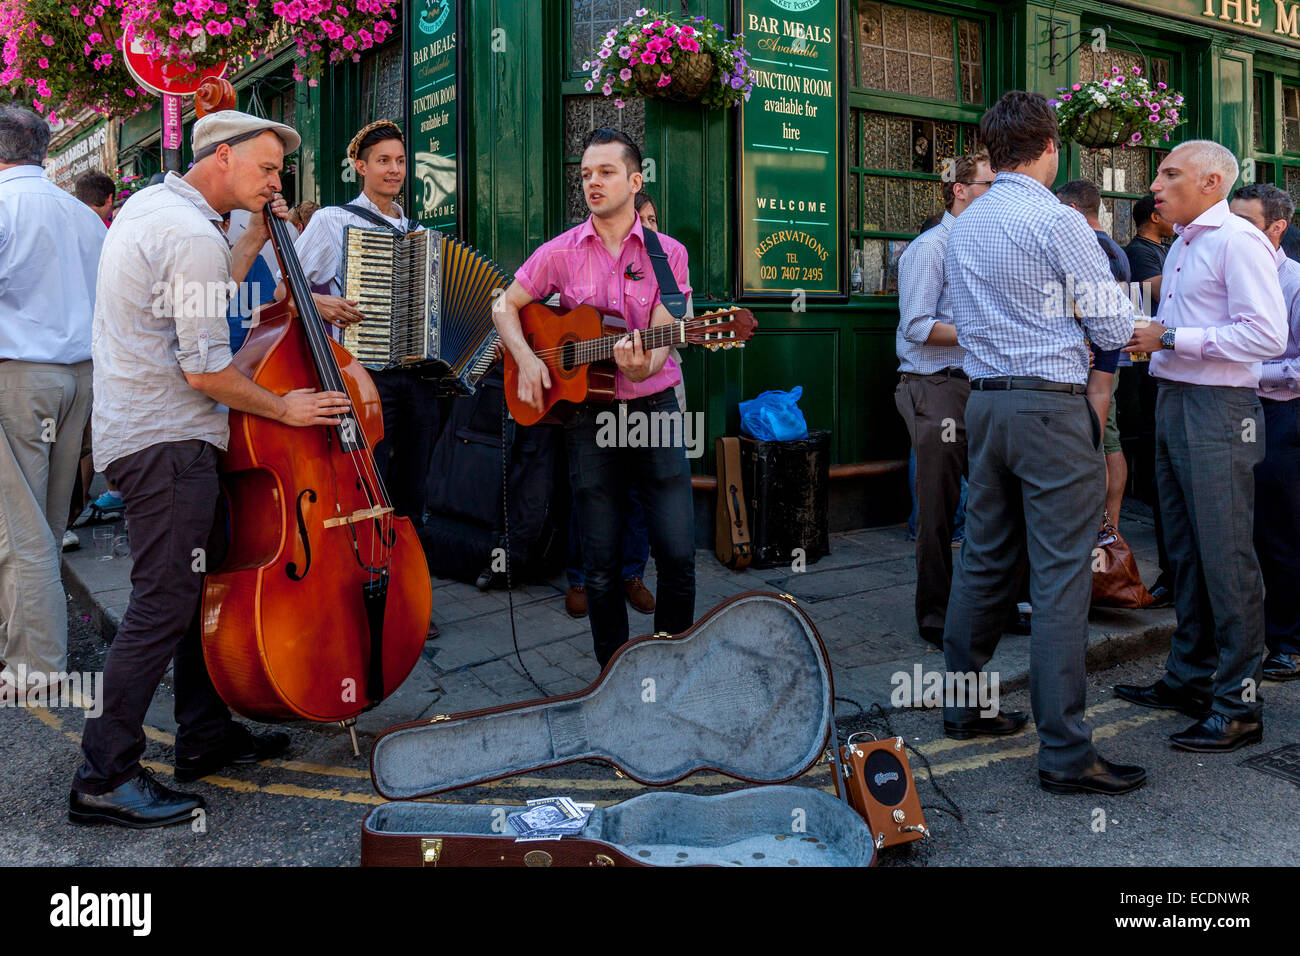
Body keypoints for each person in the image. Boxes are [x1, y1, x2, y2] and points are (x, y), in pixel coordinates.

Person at [70, 111, 352, 829]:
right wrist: (286, 411)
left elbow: (205, 300)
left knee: (196, 592)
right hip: (168, 441)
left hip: (152, 436)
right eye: (264, 169)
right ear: (220, 157)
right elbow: (204, 369)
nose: (274, 182)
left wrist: (256, 235)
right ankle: (105, 774)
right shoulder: (190, 232)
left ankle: (202, 733)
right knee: (162, 605)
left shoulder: (157, 209)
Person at [945, 91, 1143, 795]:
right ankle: (1064, 752)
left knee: (984, 558)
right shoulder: (1058, 221)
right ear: (1050, 148)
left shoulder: (964, 225)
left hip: (987, 405)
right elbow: (1115, 329)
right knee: (1061, 577)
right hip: (1051, 407)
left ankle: (964, 710)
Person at [494, 128, 696, 668]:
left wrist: (646, 359)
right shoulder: (560, 252)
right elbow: (503, 306)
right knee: (601, 560)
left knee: (677, 552)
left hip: (653, 409)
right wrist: (530, 358)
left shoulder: (667, 254)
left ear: (635, 180)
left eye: (605, 172)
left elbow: (667, 328)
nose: (592, 182)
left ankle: (671, 662)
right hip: (588, 415)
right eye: (585, 174)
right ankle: (614, 669)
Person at [1118, 141, 1288, 753]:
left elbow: (1266, 334)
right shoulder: (1187, 241)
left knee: (1225, 556)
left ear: (1212, 181)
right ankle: (1189, 678)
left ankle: (1239, 705)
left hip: (1218, 411)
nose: (1155, 186)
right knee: (1185, 551)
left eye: (1169, 174)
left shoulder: (1235, 240)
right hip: (1176, 401)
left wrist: (1169, 335)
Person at [288, 120, 441, 531]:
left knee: (414, 483)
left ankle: (408, 568)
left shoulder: (420, 233)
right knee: (369, 474)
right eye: (383, 161)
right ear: (360, 166)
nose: (394, 169)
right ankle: (367, 566)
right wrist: (317, 302)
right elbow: (287, 289)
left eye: (401, 161)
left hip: (419, 377)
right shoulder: (332, 220)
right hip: (364, 374)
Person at [0, 105, 105, 694]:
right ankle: (27, 647)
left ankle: (33, 664)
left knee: (22, 527)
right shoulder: (81, 214)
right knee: (42, 519)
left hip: (20, 375)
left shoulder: (4, 206)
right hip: (76, 378)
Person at [893, 149, 992, 647]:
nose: (995, 197)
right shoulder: (930, 249)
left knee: (995, 500)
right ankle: (935, 616)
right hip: (934, 386)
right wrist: (985, 333)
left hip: (981, 384)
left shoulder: (987, 245)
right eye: (987, 187)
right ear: (959, 190)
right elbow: (915, 326)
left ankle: (985, 604)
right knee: (937, 509)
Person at [565, 190, 665, 620]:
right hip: (594, 395)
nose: (648, 225)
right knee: (589, 491)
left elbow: (675, 320)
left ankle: (633, 573)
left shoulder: (665, 260)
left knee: (639, 492)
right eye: (642, 218)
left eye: (654, 218)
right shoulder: (578, 253)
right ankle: (581, 578)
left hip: (648, 393)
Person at [1226, 184, 1300, 683]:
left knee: (1279, 532)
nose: (1235, 232)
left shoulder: (1295, 282)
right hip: (1231, 411)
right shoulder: (1228, 268)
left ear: (1277, 228)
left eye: (1247, 222)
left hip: (1282, 417)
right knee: (1239, 531)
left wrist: (1245, 370)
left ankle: (1289, 642)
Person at [1056, 179, 1131, 531]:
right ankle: (1106, 528)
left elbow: (1098, 310)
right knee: (1105, 437)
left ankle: (1102, 527)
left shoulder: (1093, 247)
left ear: (1071, 212)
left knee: (1099, 439)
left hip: (1095, 358)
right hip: (1107, 357)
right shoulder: (1114, 247)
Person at [1124, 195, 1177, 606]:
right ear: (1155, 217)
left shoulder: (1169, 249)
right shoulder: (1141, 253)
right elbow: (1152, 290)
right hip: (1148, 367)